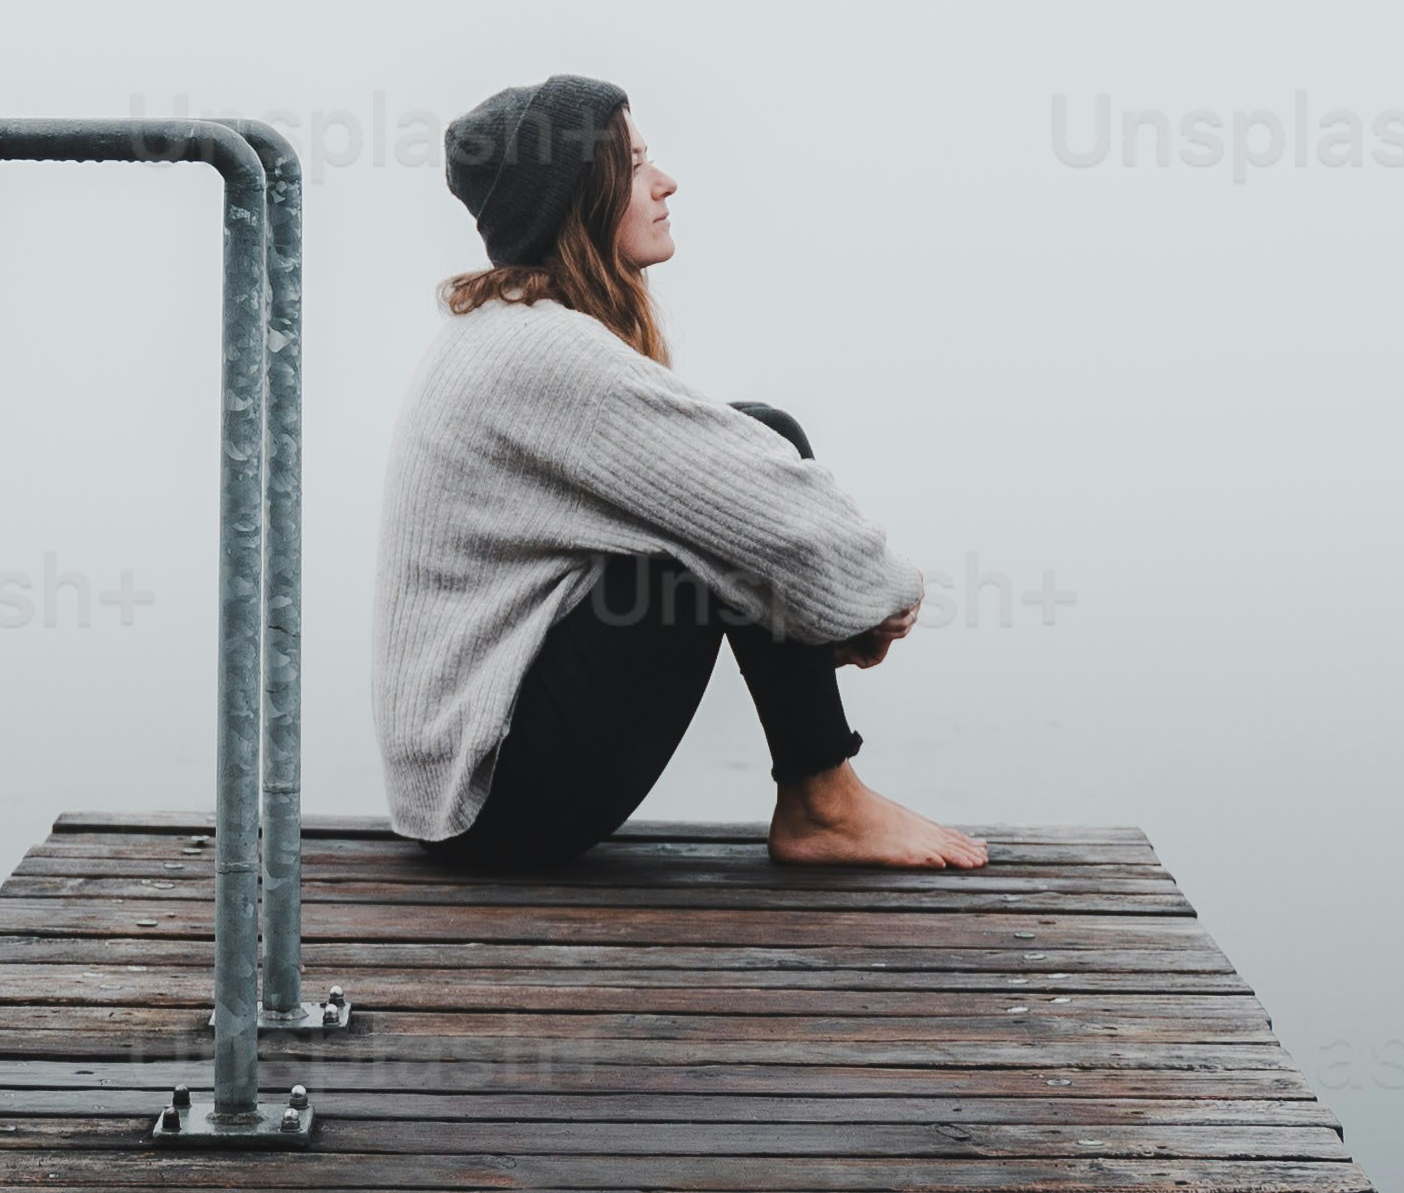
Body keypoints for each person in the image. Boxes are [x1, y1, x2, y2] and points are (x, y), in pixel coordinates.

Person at [372, 71, 986, 872]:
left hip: (469, 793)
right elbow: (763, 503)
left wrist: (833, 603)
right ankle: (824, 802)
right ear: (579, 196)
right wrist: (886, 596)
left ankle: (824, 800)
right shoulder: (541, 350)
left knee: (737, 467)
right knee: (749, 465)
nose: (665, 182)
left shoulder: (504, 331)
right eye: (633, 165)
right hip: (495, 801)